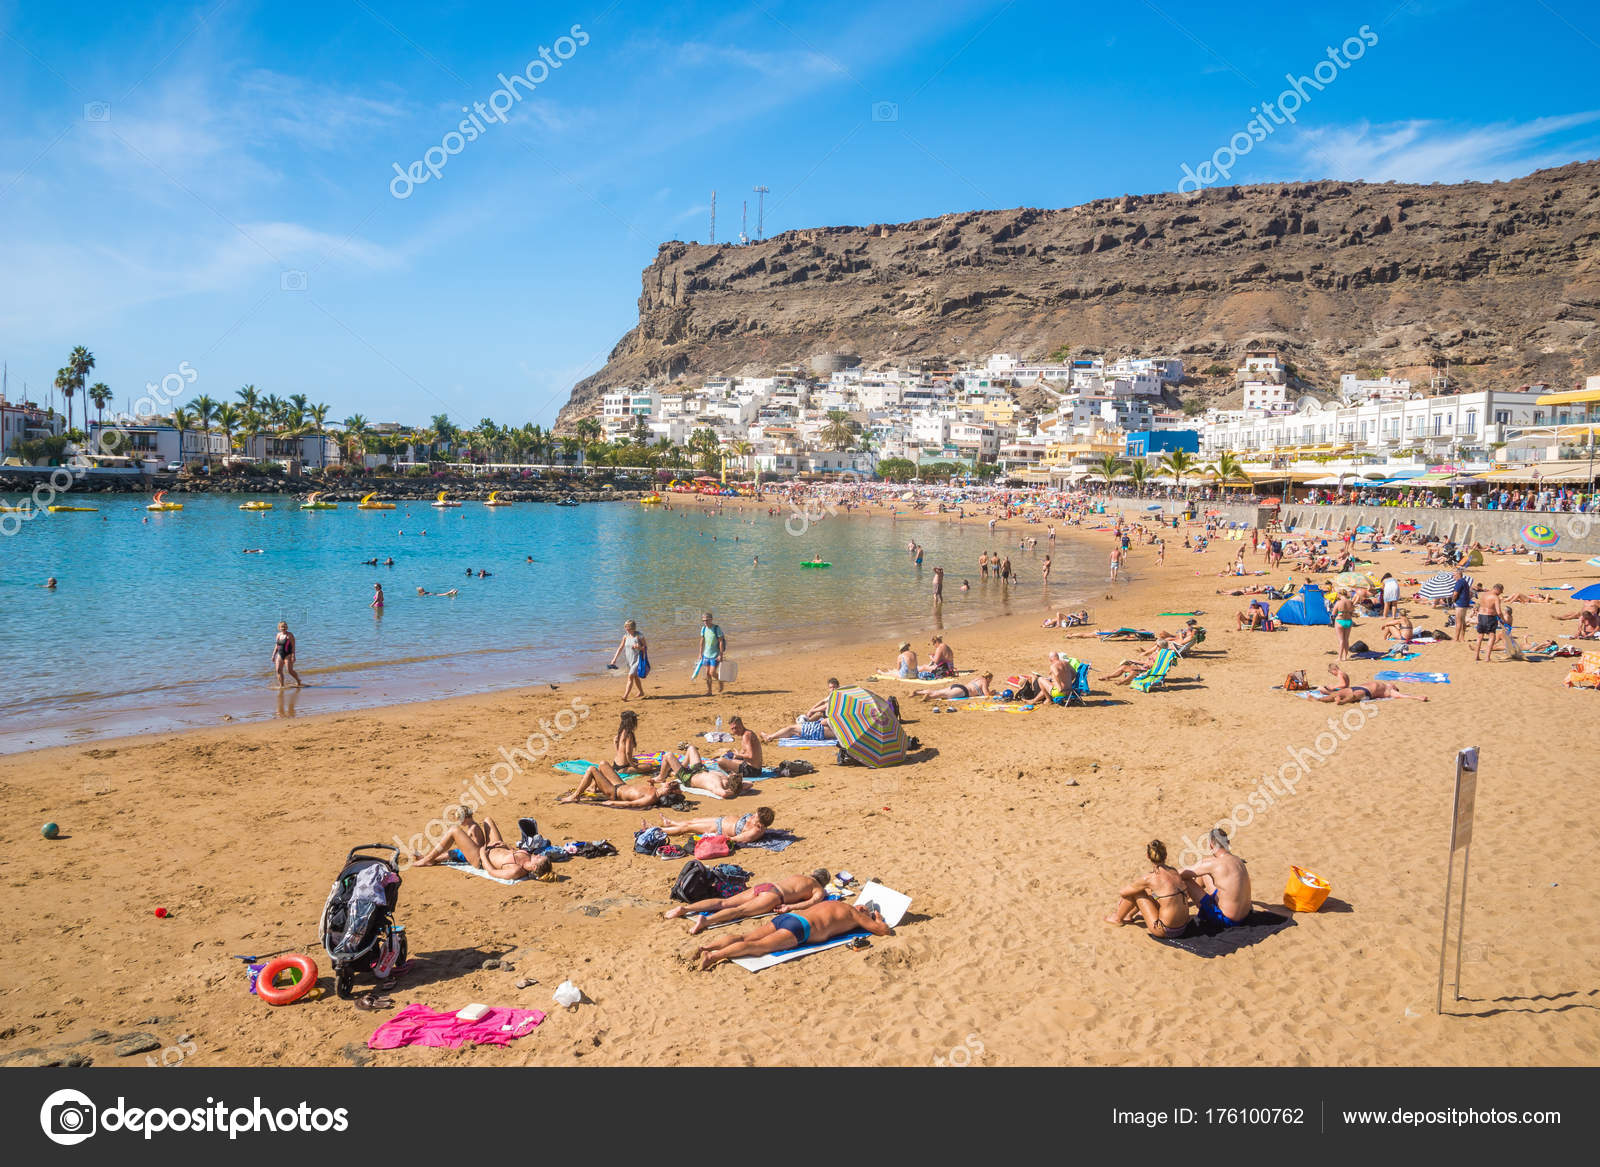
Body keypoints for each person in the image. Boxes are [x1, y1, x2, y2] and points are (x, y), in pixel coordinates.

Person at [695, 899, 892, 970]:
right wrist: (878, 918)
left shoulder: (835, 903)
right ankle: (713, 956)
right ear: (863, 910)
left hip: (790, 917)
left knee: (745, 937)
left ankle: (706, 947)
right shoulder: (853, 913)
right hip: (800, 928)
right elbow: (883, 931)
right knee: (757, 947)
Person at [664, 868, 831, 934]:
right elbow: (812, 903)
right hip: (775, 896)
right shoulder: (819, 888)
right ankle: (706, 920)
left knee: (724, 902)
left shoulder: (800, 876)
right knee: (740, 911)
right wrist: (790, 906)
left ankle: (684, 909)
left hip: (766, 886)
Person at [411, 809, 552, 880]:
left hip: (480, 858)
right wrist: (507, 846)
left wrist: (483, 855)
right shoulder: (528, 855)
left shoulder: (516, 871)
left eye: (539, 858)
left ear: (534, 866)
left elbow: (492, 872)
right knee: (487, 820)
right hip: (496, 847)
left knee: (454, 831)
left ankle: (427, 860)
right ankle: (432, 857)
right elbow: (512, 852)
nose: (539, 854)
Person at [1104, 840, 1191, 939]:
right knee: (1149, 891)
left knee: (1137, 891)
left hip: (1165, 930)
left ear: (1148, 856)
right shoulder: (1174, 871)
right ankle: (1128, 915)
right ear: (1165, 855)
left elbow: (1123, 893)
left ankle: (1117, 918)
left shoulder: (1150, 879)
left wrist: (1134, 892)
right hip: (1184, 926)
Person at [1179, 828, 1251, 929]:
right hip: (1244, 916)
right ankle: (1187, 898)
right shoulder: (1238, 860)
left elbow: (1181, 874)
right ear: (1228, 842)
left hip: (1225, 920)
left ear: (1211, 846)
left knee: (1186, 880)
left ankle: (1181, 902)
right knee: (1205, 873)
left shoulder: (1213, 863)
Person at [761, 679, 840, 742]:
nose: (832, 689)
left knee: (791, 729)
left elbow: (824, 719)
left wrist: (813, 711)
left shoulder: (837, 703)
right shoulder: (840, 709)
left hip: (820, 732)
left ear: (838, 687)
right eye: (831, 687)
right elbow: (823, 703)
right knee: (793, 729)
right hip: (823, 731)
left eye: (834, 687)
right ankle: (772, 736)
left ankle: (769, 737)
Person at [654, 806, 775, 846]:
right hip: (720, 821)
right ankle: (671, 823)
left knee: (688, 828)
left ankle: (659, 830)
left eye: (755, 817)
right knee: (694, 820)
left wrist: (713, 838)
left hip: (718, 828)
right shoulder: (758, 823)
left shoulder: (754, 832)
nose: (752, 816)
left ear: (759, 824)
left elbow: (735, 839)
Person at [1312, 663, 1429, 704]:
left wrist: (1416, 697)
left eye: (1395, 687)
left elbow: (1402, 696)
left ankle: (1341, 702)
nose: (1394, 685)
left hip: (1367, 692)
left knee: (1353, 696)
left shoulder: (1390, 691)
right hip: (1358, 687)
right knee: (1333, 695)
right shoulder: (1385, 684)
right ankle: (1318, 699)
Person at [609, 619, 649, 701]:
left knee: (630, 676)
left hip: (638, 659)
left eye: (628, 627)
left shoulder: (639, 635)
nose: (626, 628)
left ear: (633, 627)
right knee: (635, 677)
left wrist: (639, 647)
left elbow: (645, 648)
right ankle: (641, 692)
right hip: (629, 659)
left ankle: (625, 696)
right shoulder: (625, 636)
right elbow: (620, 648)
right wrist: (614, 659)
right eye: (625, 627)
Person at [1474, 584, 1506, 662]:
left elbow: (1480, 606)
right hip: (1489, 617)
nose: (1501, 593)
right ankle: (1487, 658)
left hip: (1481, 616)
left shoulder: (1484, 594)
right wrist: (1503, 619)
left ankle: (1476, 656)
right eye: (1501, 591)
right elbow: (1499, 611)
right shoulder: (1495, 597)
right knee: (1492, 636)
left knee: (1480, 636)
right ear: (1497, 589)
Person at [913, 671, 994, 701]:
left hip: (959, 686)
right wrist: (992, 692)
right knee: (944, 695)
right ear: (988, 678)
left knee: (938, 691)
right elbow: (986, 694)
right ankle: (929, 697)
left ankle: (918, 692)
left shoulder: (977, 678)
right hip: (964, 691)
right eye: (990, 680)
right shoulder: (984, 681)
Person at [697, 612, 725, 695]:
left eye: (707, 620)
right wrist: (700, 653)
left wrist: (721, 655)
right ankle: (709, 691)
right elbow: (702, 641)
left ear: (711, 620)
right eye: (704, 620)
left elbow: (721, 642)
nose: (705, 622)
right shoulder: (703, 629)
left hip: (715, 655)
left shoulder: (717, 628)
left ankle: (720, 681)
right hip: (706, 654)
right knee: (707, 673)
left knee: (712, 672)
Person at [271, 621, 303, 689]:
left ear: (287, 627)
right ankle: (281, 685)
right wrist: (273, 655)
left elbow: (293, 646)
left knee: (289, 670)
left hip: (288, 654)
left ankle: (298, 680)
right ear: (279, 628)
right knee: (278, 670)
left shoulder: (290, 635)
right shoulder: (278, 635)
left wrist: (293, 656)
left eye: (285, 626)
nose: (283, 628)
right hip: (280, 654)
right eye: (282, 627)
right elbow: (277, 645)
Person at [1450, 568, 1474, 642]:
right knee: (1463, 621)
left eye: (1454, 575)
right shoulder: (1465, 581)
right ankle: (1462, 638)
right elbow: (1470, 593)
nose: (1453, 577)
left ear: (1458, 575)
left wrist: (1453, 600)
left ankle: (1456, 638)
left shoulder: (1459, 582)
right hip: (1465, 603)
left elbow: (1455, 593)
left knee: (1458, 621)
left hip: (1460, 603)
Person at [1331, 591, 1356, 661]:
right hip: (1348, 621)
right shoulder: (1350, 602)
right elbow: (1352, 611)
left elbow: (1333, 613)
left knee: (1341, 640)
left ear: (1340, 594)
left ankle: (1339, 657)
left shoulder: (1338, 602)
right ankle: (1345, 657)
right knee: (1346, 640)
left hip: (1340, 620)